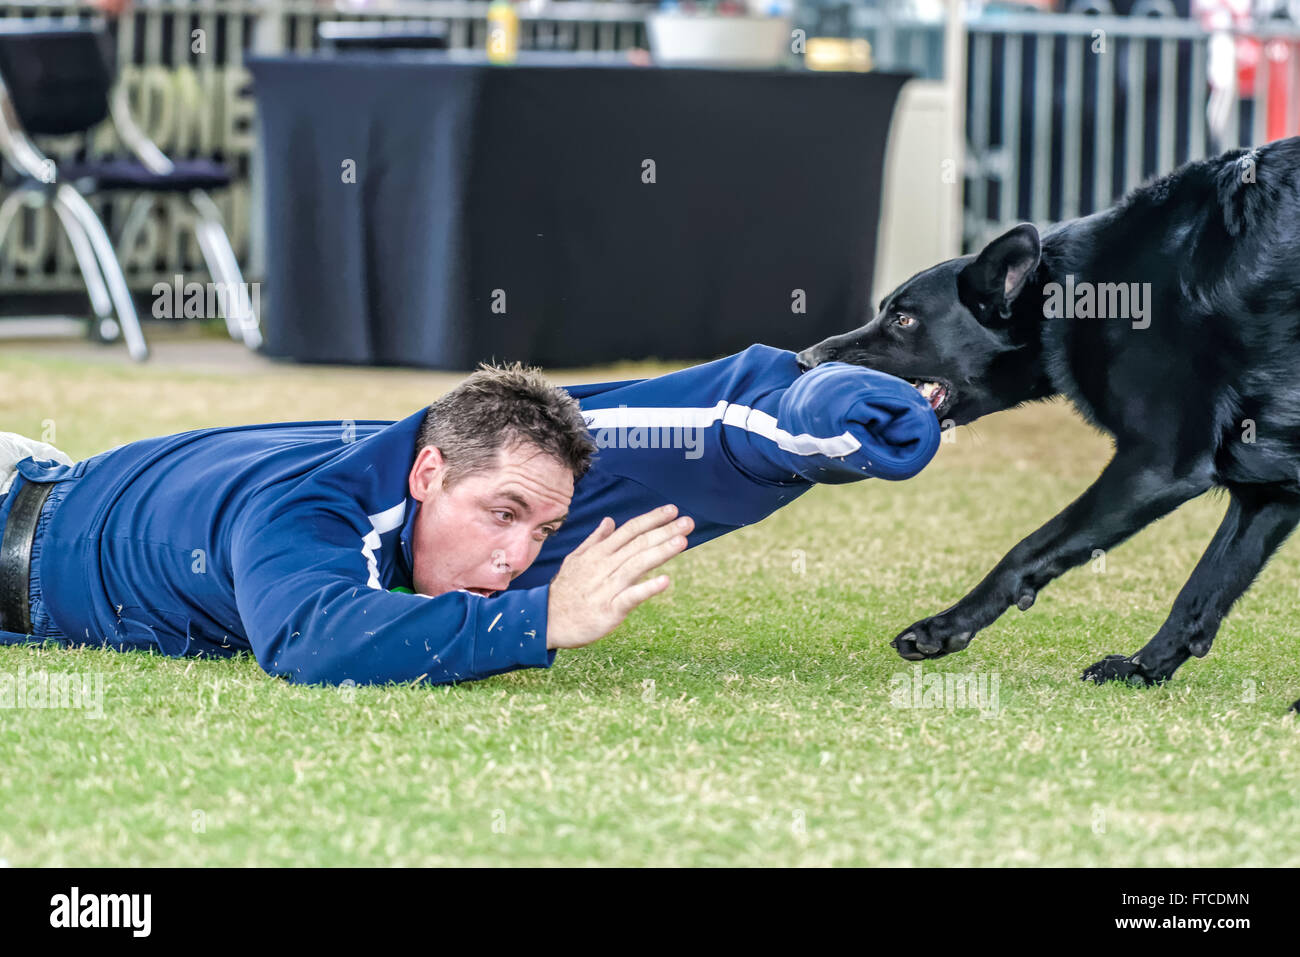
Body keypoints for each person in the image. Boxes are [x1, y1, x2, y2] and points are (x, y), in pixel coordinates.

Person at [0, 345, 940, 686]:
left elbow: (655, 422)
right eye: (503, 517)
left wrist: (812, 416)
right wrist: (542, 619)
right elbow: (312, 640)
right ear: (425, 474)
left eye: (540, 533)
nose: (518, 553)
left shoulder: (473, 456)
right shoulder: (308, 509)